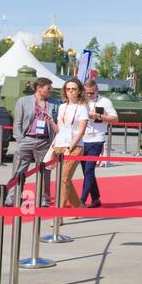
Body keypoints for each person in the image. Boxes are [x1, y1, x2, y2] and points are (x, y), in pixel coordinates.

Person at [11, 77, 56, 205]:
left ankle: (43, 199)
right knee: (19, 170)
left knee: (44, 172)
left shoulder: (54, 103)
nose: (50, 90)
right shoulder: (23, 101)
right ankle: (13, 197)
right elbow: (17, 122)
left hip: (45, 141)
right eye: (48, 88)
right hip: (27, 139)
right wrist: (20, 140)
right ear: (39, 88)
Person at [52, 77, 89, 208]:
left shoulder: (82, 108)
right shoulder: (62, 107)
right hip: (60, 144)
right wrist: (50, 122)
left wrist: (70, 147)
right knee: (64, 179)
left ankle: (59, 213)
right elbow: (59, 128)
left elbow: (81, 131)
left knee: (64, 179)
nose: (71, 91)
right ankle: (77, 205)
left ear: (79, 91)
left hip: (75, 146)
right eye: (68, 89)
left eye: (74, 89)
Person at [80, 79, 117, 207]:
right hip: (82, 139)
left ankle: (81, 200)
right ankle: (96, 199)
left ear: (97, 91)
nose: (89, 95)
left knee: (89, 170)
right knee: (86, 172)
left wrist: (98, 116)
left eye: (92, 93)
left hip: (97, 139)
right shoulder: (81, 101)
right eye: (87, 93)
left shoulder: (105, 102)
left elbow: (115, 119)